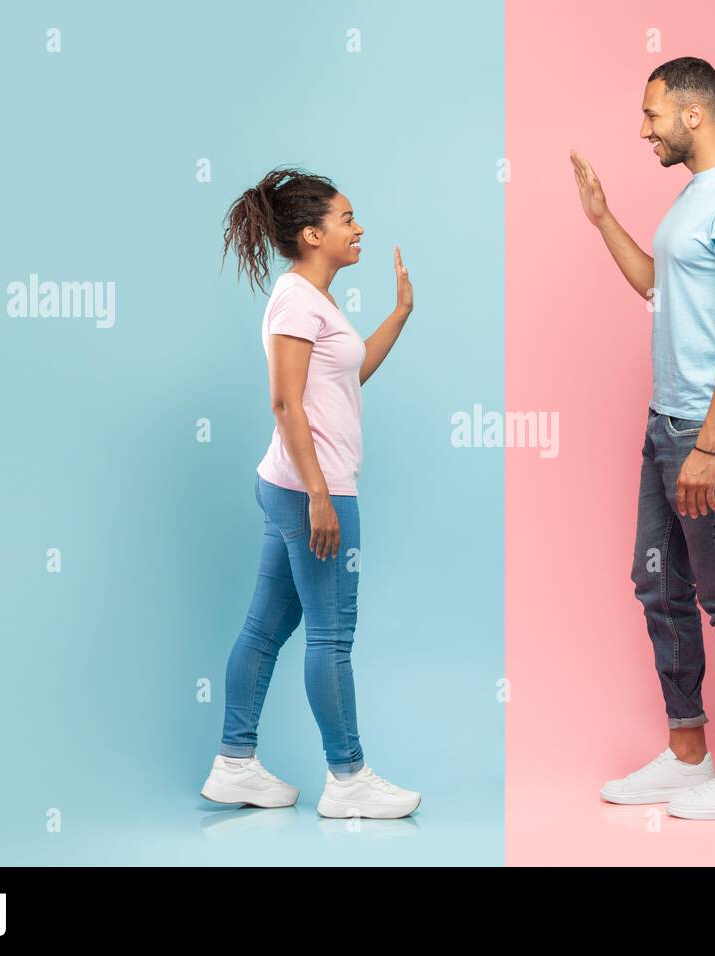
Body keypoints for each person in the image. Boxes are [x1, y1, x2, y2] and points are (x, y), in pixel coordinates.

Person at [572, 57, 715, 820]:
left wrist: (709, 445)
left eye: (652, 115)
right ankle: (690, 752)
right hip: (671, 422)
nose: (644, 130)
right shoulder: (693, 200)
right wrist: (601, 218)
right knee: (660, 584)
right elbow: (657, 290)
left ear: (693, 114)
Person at [200, 166, 420, 819]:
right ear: (311, 233)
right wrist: (321, 497)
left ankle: (233, 764)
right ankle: (347, 778)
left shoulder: (315, 302)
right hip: (311, 491)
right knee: (331, 636)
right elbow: (284, 401)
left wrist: (400, 313)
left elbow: (346, 381)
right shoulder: (297, 301)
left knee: (267, 627)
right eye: (347, 219)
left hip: (293, 486)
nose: (359, 229)